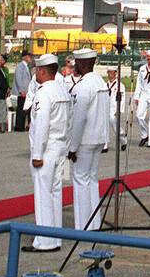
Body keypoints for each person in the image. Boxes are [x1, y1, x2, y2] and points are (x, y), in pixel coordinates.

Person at [24, 54, 69, 252]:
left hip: (47, 149)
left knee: (43, 194)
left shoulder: (43, 93)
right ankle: (55, 236)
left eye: (36, 70)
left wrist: (37, 154)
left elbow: (41, 125)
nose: (35, 73)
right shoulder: (62, 90)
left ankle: (44, 240)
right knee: (55, 192)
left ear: (42, 71)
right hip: (60, 147)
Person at [66, 48, 109, 233]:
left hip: (84, 140)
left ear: (83, 64)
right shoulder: (100, 82)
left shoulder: (83, 86)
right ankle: (94, 222)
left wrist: (72, 146)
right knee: (92, 180)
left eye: (77, 62)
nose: (75, 66)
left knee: (80, 181)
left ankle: (83, 225)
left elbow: (79, 118)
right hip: (99, 137)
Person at [13, 52, 32, 132]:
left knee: (24, 108)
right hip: (22, 92)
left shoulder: (26, 66)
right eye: (29, 57)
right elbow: (18, 78)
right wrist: (21, 90)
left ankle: (22, 125)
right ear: (25, 57)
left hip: (26, 92)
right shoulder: (21, 66)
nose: (30, 58)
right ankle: (19, 126)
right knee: (21, 108)